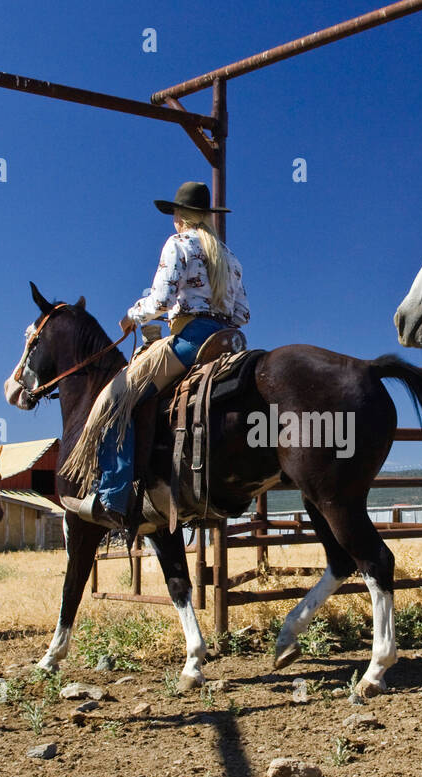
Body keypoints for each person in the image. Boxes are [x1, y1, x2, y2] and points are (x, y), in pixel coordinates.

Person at [74, 181, 250, 529]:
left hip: (191, 340)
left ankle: (112, 497)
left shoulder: (178, 244)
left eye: (174, 214)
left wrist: (131, 316)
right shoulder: (230, 258)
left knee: (115, 401)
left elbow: (161, 301)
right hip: (230, 341)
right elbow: (243, 314)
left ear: (180, 216)